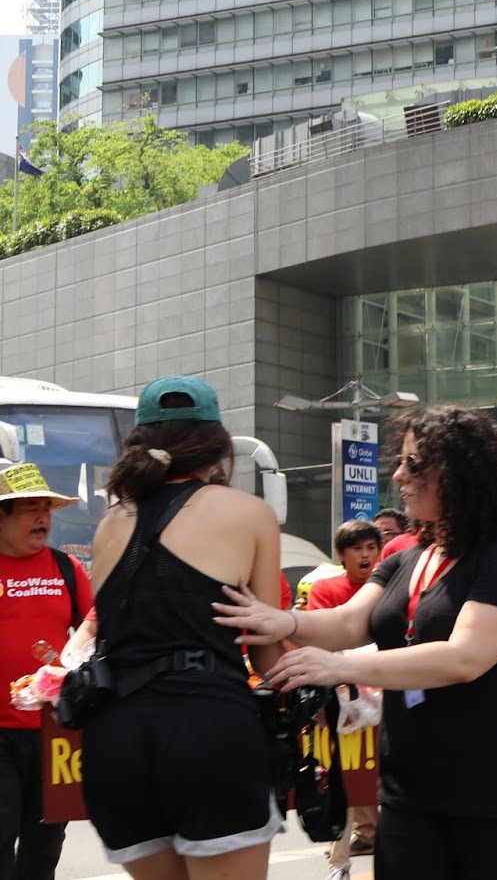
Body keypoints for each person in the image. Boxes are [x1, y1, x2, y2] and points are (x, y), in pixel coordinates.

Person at [215, 404, 497, 880]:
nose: (398, 473)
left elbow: (464, 658)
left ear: (458, 471)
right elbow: (349, 622)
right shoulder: (409, 556)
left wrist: (339, 667)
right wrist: (282, 622)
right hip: (410, 783)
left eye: (414, 463)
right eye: (400, 460)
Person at [80, 375, 285, 879]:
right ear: (217, 446)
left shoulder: (110, 522)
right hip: (207, 727)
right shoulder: (249, 512)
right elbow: (266, 653)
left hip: (115, 736)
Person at [0, 461, 90, 880]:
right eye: (30, 507)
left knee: (45, 844)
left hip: (54, 731)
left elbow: (94, 627)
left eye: (47, 508)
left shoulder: (67, 569)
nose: (42, 517)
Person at [309, 518, 385, 878]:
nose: (367, 555)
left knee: (381, 776)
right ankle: (338, 862)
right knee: (345, 775)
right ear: (342, 555)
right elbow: (321, 641)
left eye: (372, 547)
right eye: (358, 549)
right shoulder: (325, 590)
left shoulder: (389, 585)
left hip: (388, 692)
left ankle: (380, 845)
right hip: (343, 699)